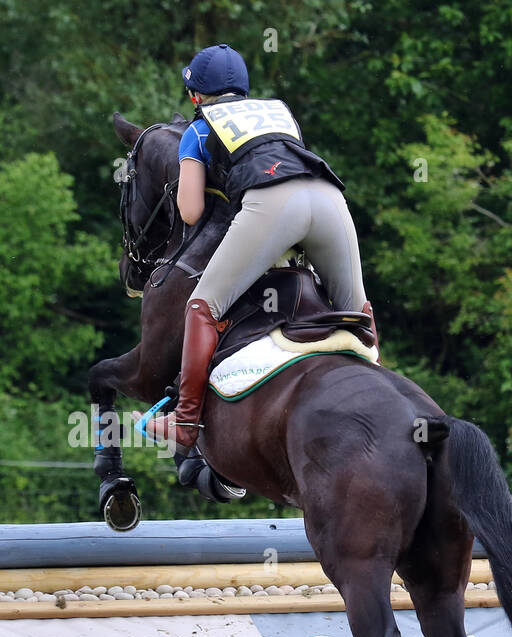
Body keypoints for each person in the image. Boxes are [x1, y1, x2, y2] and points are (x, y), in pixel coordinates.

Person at [143, 44, 372, 449]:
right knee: (359, 316)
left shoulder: (199, 128)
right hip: (330, 198)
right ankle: (377, 400)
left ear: (195, 96)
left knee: (202, 307)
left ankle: (185, 422)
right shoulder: (279, 114)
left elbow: (192, 211)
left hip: (275, 204)